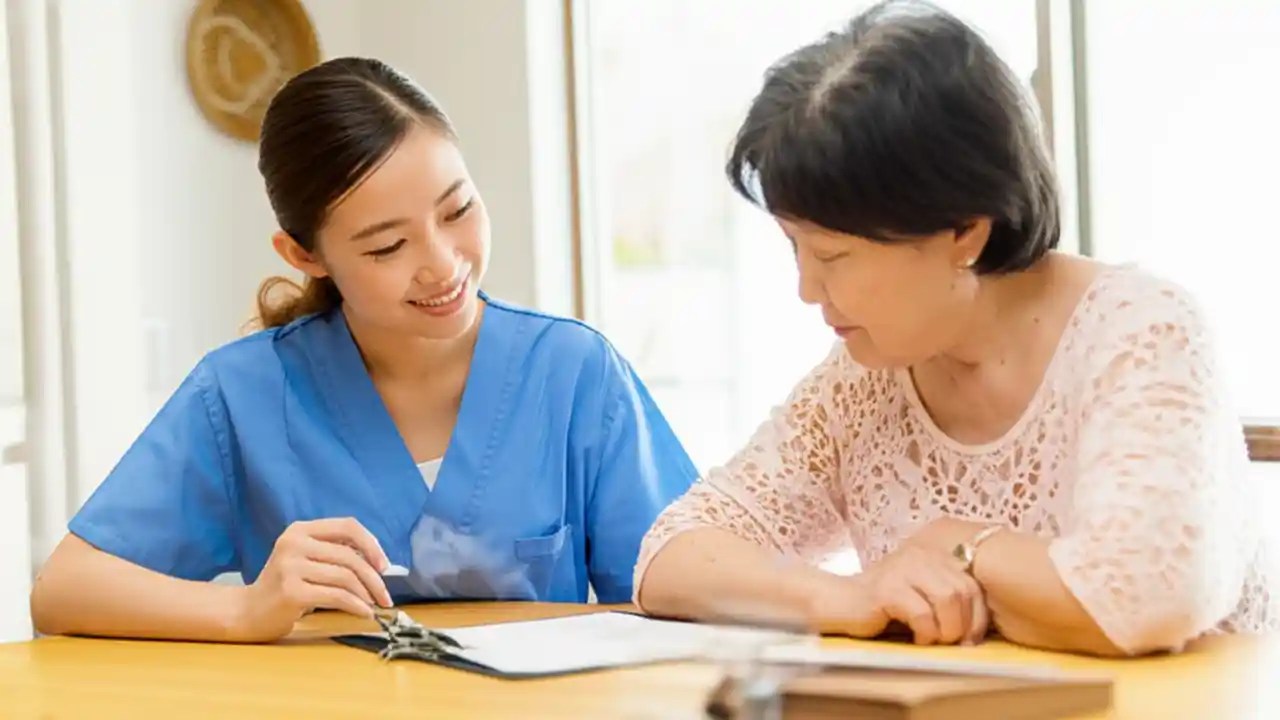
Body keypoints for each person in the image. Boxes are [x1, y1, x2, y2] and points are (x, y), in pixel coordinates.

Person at [633, 0, 1278, 657]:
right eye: (793, 247)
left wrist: (956, 545)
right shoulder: (866, 379)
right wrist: (855, 595)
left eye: (832, 256)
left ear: (966, 228)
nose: (805, 289)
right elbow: (672, 557)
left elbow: (1141, 600)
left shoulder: (1142, 333)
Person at [30, 57, 698, 643]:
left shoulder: (574, 373)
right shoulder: (244, 394)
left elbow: (680, 584)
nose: (442, 265)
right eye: (387, 246)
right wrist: (245, 609)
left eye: (457, 210)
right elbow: (65, 590)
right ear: (305, 255)